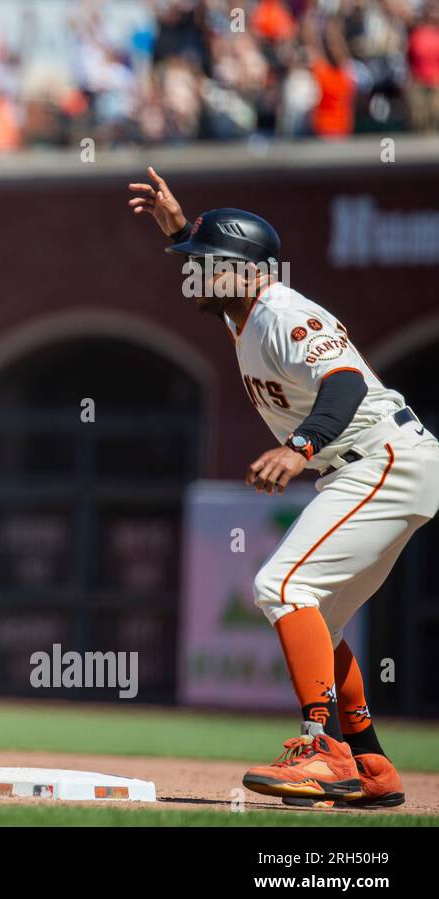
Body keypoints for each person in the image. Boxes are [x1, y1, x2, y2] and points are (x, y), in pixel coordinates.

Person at [128, 167, 439, 808]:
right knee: (318, 618)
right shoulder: (241, 307)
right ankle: (370, 763)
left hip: (382, 455)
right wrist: (181, 229)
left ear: (243, 270)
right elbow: (216, 259)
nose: (193, 271)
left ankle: (319, 750)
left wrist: (299, 448)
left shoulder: (281, 309)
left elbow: (346, 382)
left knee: (281, 586)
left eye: (204, 263)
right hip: (374, 463)